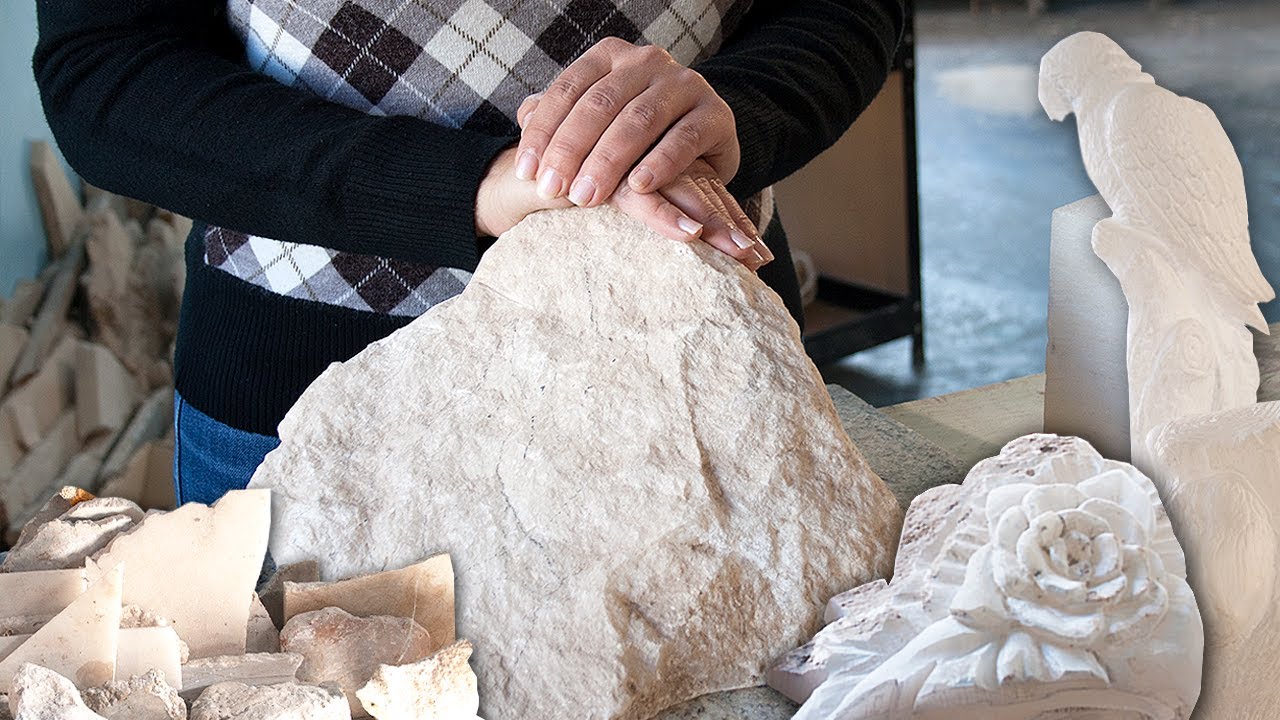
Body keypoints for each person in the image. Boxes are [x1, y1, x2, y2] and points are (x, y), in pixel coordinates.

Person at [33, 0, 905, 505]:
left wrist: (725, 114)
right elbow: (108, 66)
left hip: (699, 362)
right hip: (303, 398)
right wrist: (473, 183)